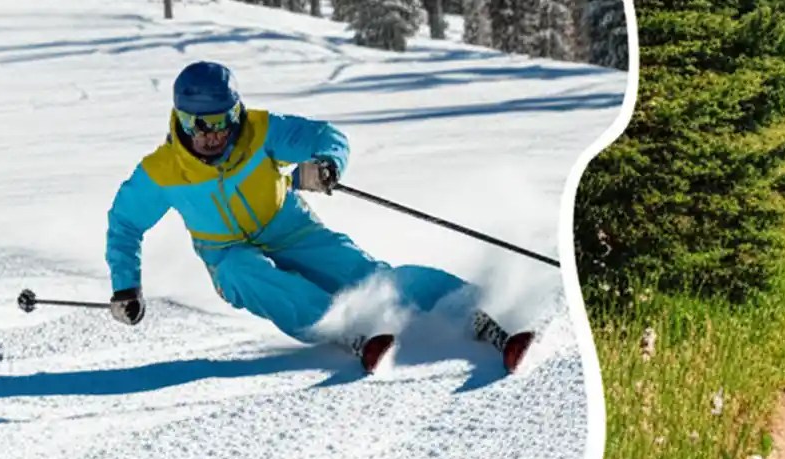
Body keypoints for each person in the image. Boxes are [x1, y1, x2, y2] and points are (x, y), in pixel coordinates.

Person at [103, 61, 531, 372]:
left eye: (222, 121)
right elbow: (124, 224)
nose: (212, 135)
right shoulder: (161, 170)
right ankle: (340, 326)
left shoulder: (259, 130)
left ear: (237, 112)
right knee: (241, 271)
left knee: (369, 277)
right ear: (180, 119)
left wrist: (325, 164)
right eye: (199, 125)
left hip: (289, 228)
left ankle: (471, 308)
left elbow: (326, 136)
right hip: (226, 251)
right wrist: (125, 286)